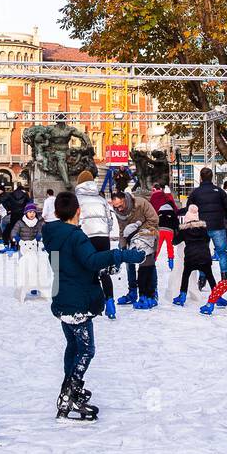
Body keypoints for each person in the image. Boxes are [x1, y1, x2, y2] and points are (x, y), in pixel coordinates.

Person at [42, 190, 144, 421]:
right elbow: (91, 261)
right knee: (86, 350)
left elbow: (67, 264)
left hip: (63, 297)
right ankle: (70, 393)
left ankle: (69, 391)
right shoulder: (75, 236)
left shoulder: (52, 234)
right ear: (79, 211)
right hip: (77, 300)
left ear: (57, 211)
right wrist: (121, 256)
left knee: (73, 346)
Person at [74, 169, 120, 319]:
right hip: (102, 238)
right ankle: (110, 302)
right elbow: (110, 220)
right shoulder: (101, 199)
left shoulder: (77, 199)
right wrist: (104, 231)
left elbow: (74, 220)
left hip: (86, 237)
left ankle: (89, 303)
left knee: (85, 270)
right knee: (103, 271)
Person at [109, 186, 159, 308]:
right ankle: (132, 292)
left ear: (125, 200)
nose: (118, 209)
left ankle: (152, 294)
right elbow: (122, 228)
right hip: (130, 238)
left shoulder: (141, 203)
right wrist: (122, 245)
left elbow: (154, 219)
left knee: (147, 263)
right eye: (115, 207)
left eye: (120, 205)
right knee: (128, 262)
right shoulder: (118, 211)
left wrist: (137, 228)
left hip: (147, 235)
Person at [186, 167, 227, 271]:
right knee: (222, 252)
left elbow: (189, 209)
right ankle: (224, 278)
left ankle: (203, 277)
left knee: (203, 253)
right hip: (218, 225)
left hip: (202, 227)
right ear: (212, 177)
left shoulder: (195, 192)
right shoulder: (219, 191)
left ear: (201, 178)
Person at [171, 205, 215, 306]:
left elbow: (175, 241)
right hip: (205, 256)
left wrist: (176, 234)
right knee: (210, 275)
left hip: (191, 257)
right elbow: (208, 239)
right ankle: (217, 296)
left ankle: (182, 296)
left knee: (185, 275)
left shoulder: (184, 230)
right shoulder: (203, 229)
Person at [148, 182, 180, 269]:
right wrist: (177, 230)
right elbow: (176, 221)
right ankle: (171, 261)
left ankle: (153, 260)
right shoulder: (166, 198)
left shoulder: (158, 209)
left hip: (159, 230)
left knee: (157, 246)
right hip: (169, 231)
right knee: (170, 247)